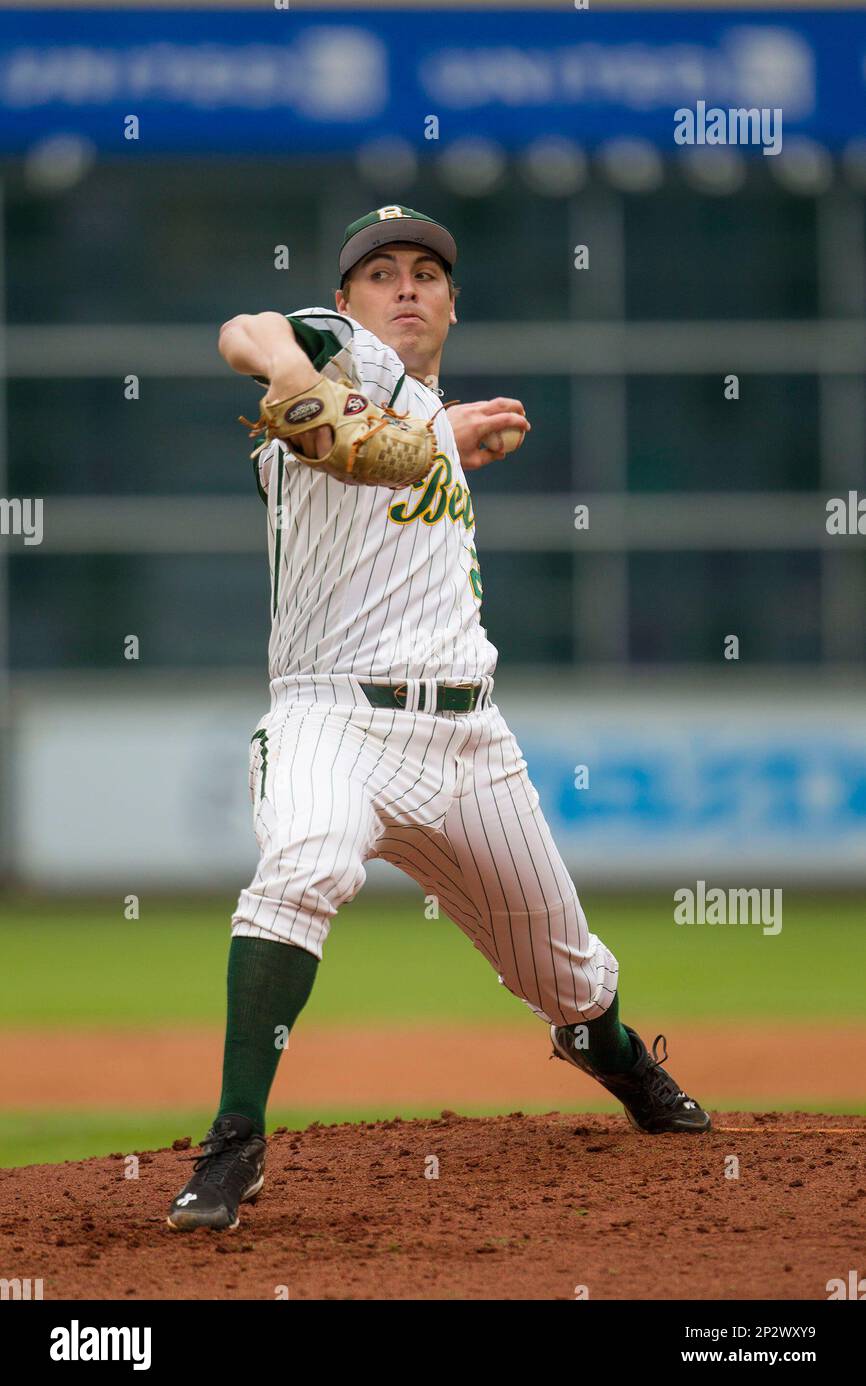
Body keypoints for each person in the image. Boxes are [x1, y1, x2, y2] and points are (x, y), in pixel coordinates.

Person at [167, 206, 710, 1234]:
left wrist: (443, 436)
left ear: (453, 305)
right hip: (331, 718)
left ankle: (621, 1061)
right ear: (346, 302)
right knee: (301, 868)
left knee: (567, 974)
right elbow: (245, 330)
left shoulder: (418, 422)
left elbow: (396, 453)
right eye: (380, 274)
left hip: (468, 741)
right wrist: (290, 376)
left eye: (426, 273)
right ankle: (234, 1140)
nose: (405, 287)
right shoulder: (338, 357)